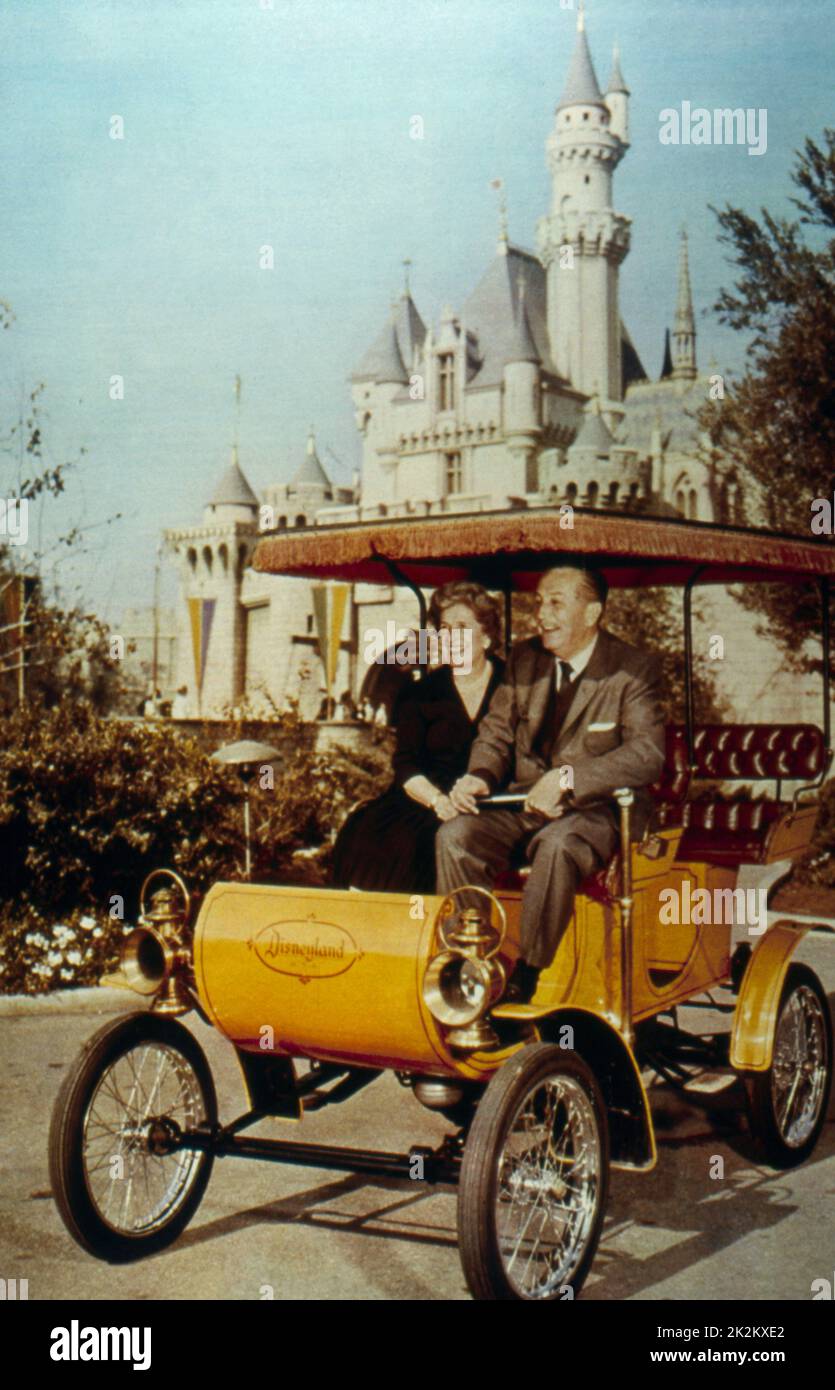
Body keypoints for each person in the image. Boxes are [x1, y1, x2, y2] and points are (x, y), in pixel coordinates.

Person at [436, 560, 665, 1003]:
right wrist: (479, 776)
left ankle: (528, 974)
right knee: (456, 835)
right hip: (523, 804)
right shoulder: (525, 659)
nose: (542, 614)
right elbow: (496, 732)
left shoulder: (632, 670)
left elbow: (647, 755)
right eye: (540, 602)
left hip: (597, 811)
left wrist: (567, 778)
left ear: (593, 613)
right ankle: (470, 963)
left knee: (558, 845)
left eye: (556, 603)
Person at [331, 581, 505, 893]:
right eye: (445, 628)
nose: (451, 637)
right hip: (426, 799)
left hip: (491, 800)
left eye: (462, 627)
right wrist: (438, 801)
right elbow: (406, 766)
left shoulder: (512, 687)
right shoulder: (420, 693)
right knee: (386, 839)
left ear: (488, 636)